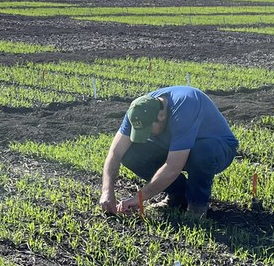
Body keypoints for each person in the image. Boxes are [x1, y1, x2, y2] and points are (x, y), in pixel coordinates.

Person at [99, 85, 238, 220]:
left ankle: (197, 206)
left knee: (201, 152)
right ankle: (178, 196)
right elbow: (115, 153)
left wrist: (139, 198)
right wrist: (107, 191)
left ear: (161, 116)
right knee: (129, 153)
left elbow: (173, 167)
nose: (147, 135)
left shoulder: (185, 106)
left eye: (148, 130)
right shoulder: (138, 111)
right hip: (176, 147)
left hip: (218, 149)